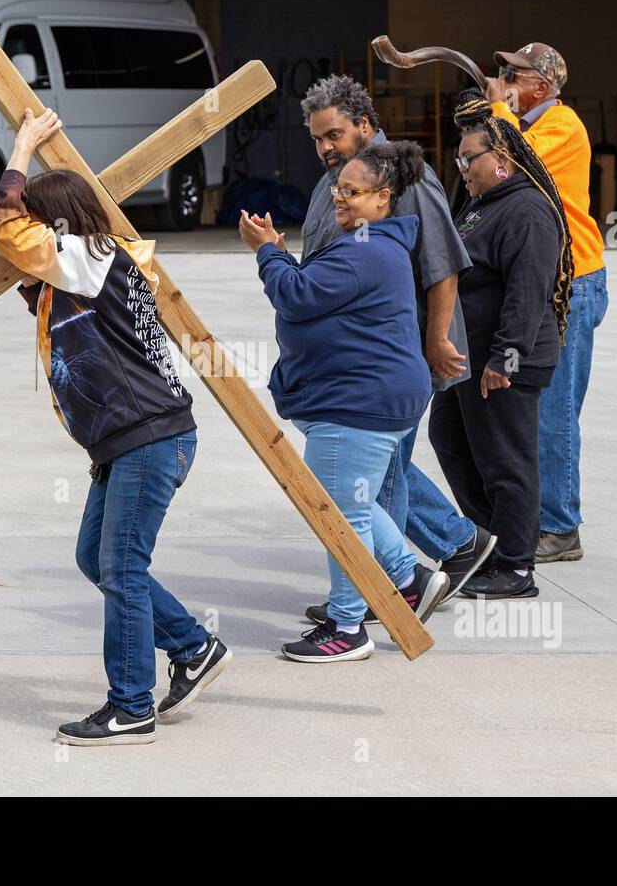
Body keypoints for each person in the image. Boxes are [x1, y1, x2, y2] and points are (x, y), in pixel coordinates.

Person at [0, 107, 230, 745]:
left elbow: (7, 224)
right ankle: (194, 647)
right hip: (137, 441)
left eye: (43, 224)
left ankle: (132, 706)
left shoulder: (89, 256)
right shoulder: (92, 267)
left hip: (149, 438)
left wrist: (22, 146)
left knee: (121, 565)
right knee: (95, 556)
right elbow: (34, 277)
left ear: (57, 226)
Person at [239, 140, 451, 662]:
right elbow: (308, 289)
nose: (341, 198)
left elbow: (296, 295)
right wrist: (281, 257)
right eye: (339, 189)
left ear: (384, 198)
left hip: (357, 401)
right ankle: (410, 578)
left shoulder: (366, 249)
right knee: (348, 504)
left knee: (338, 516)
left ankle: (348, 626)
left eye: (353, 192)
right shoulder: (368, 243)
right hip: (361, 398)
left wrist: (267, 251)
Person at [297, 75, 498, 625]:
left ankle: (376, 598)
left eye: (334, 134)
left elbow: (442, 267)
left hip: (397, 355)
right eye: (317, 139)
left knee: (368, 480)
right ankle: (455, 545)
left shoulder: (405, 181)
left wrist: (436, 341)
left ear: (365, 125)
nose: (325, 148)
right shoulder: (335, 181)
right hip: (351, 358)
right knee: (376, 470)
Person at [431, 90, 574, 599]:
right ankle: (488, 542)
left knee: (507, 459)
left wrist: (504, 360)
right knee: (449, 438)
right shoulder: (482, 204)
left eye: (471, 158)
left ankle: (516, 564)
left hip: (505, 361)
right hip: (470, 359)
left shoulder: (527, 212)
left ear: (504, 160)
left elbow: (528, 294)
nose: (463, 166)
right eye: (459, 158)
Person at [486, 43, 608, 563]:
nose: (503, 76)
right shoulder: (529, 122)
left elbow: (508, 161)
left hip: (574, 279)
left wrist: (493, 109)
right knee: (536, 405)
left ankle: (559, 528)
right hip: (551, 280)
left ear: (542, 85)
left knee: (556, 410)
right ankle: (540, 518)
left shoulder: (561, 125)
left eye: (513, 72)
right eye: (501, 70)